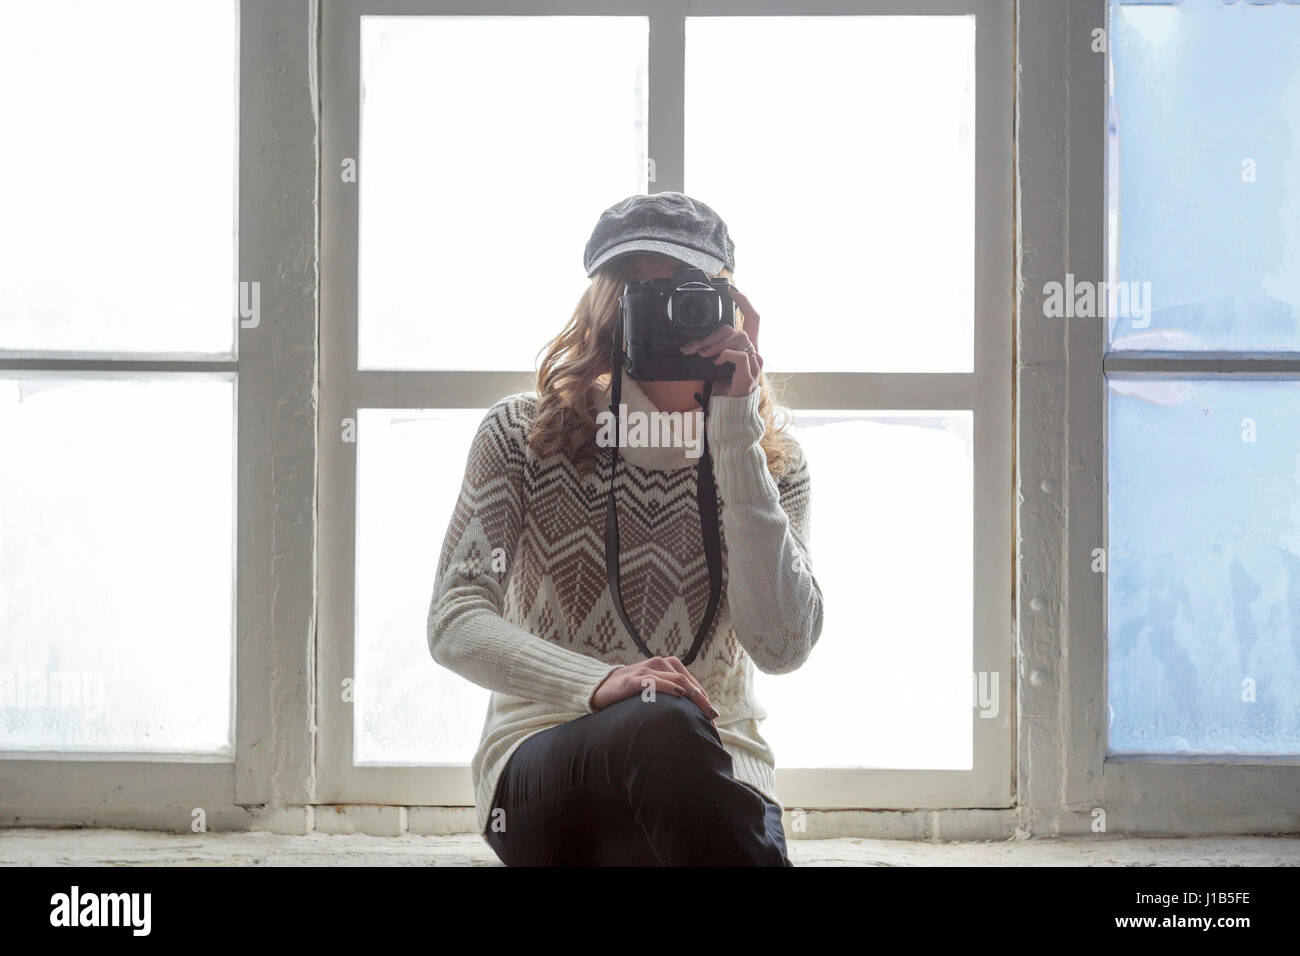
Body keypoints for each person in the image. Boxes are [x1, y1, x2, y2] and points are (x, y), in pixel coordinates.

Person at [426, 191, 824, 866]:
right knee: (658, 720)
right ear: (607, 309)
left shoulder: (770, 463)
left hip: (716, 780)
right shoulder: (521, 436)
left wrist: (733, 435)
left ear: (729, 306)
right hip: (548, 763)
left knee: (676, 751)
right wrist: (601, 684)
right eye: (641, 294)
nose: (671, 315)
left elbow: (782, 645)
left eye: (687, 293)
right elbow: (455, 620)